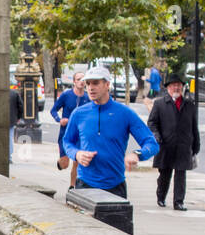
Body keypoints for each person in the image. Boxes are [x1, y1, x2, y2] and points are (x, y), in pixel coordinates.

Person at [62, 65, 159, 199]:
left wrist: (137, 155)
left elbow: (152, 144)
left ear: (107, 84)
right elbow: (67, 141)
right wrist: (76, 154)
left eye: (95, 83)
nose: (90, 87)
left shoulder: (125, 113)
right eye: (88, 83)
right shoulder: (79, 113)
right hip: (85, 184)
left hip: (115, 186)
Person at [147, 74, 199, 210]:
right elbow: (152, 123)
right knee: (165, 173)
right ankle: (161, 196)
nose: (176, 88)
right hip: (166, 145)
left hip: (183, 144)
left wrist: (196, 145)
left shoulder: (189, 105)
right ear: (168, 88)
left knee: (181, 174)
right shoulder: (160, 104)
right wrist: (157, 136)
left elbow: (194, 126)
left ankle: (179, 202)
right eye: (173, 85)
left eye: (179, 85)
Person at [50, 70, 89, 172]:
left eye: (83, 79)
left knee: (77, 163)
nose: (81, 81)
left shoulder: (88, 97)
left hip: (80, 134)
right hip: (66, 133)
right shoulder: (66, 95)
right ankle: (60, 162)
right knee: (65, 164)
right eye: (78, 79)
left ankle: (72, 186)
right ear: (74, 82)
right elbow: (53, 110)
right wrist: (59, 120)